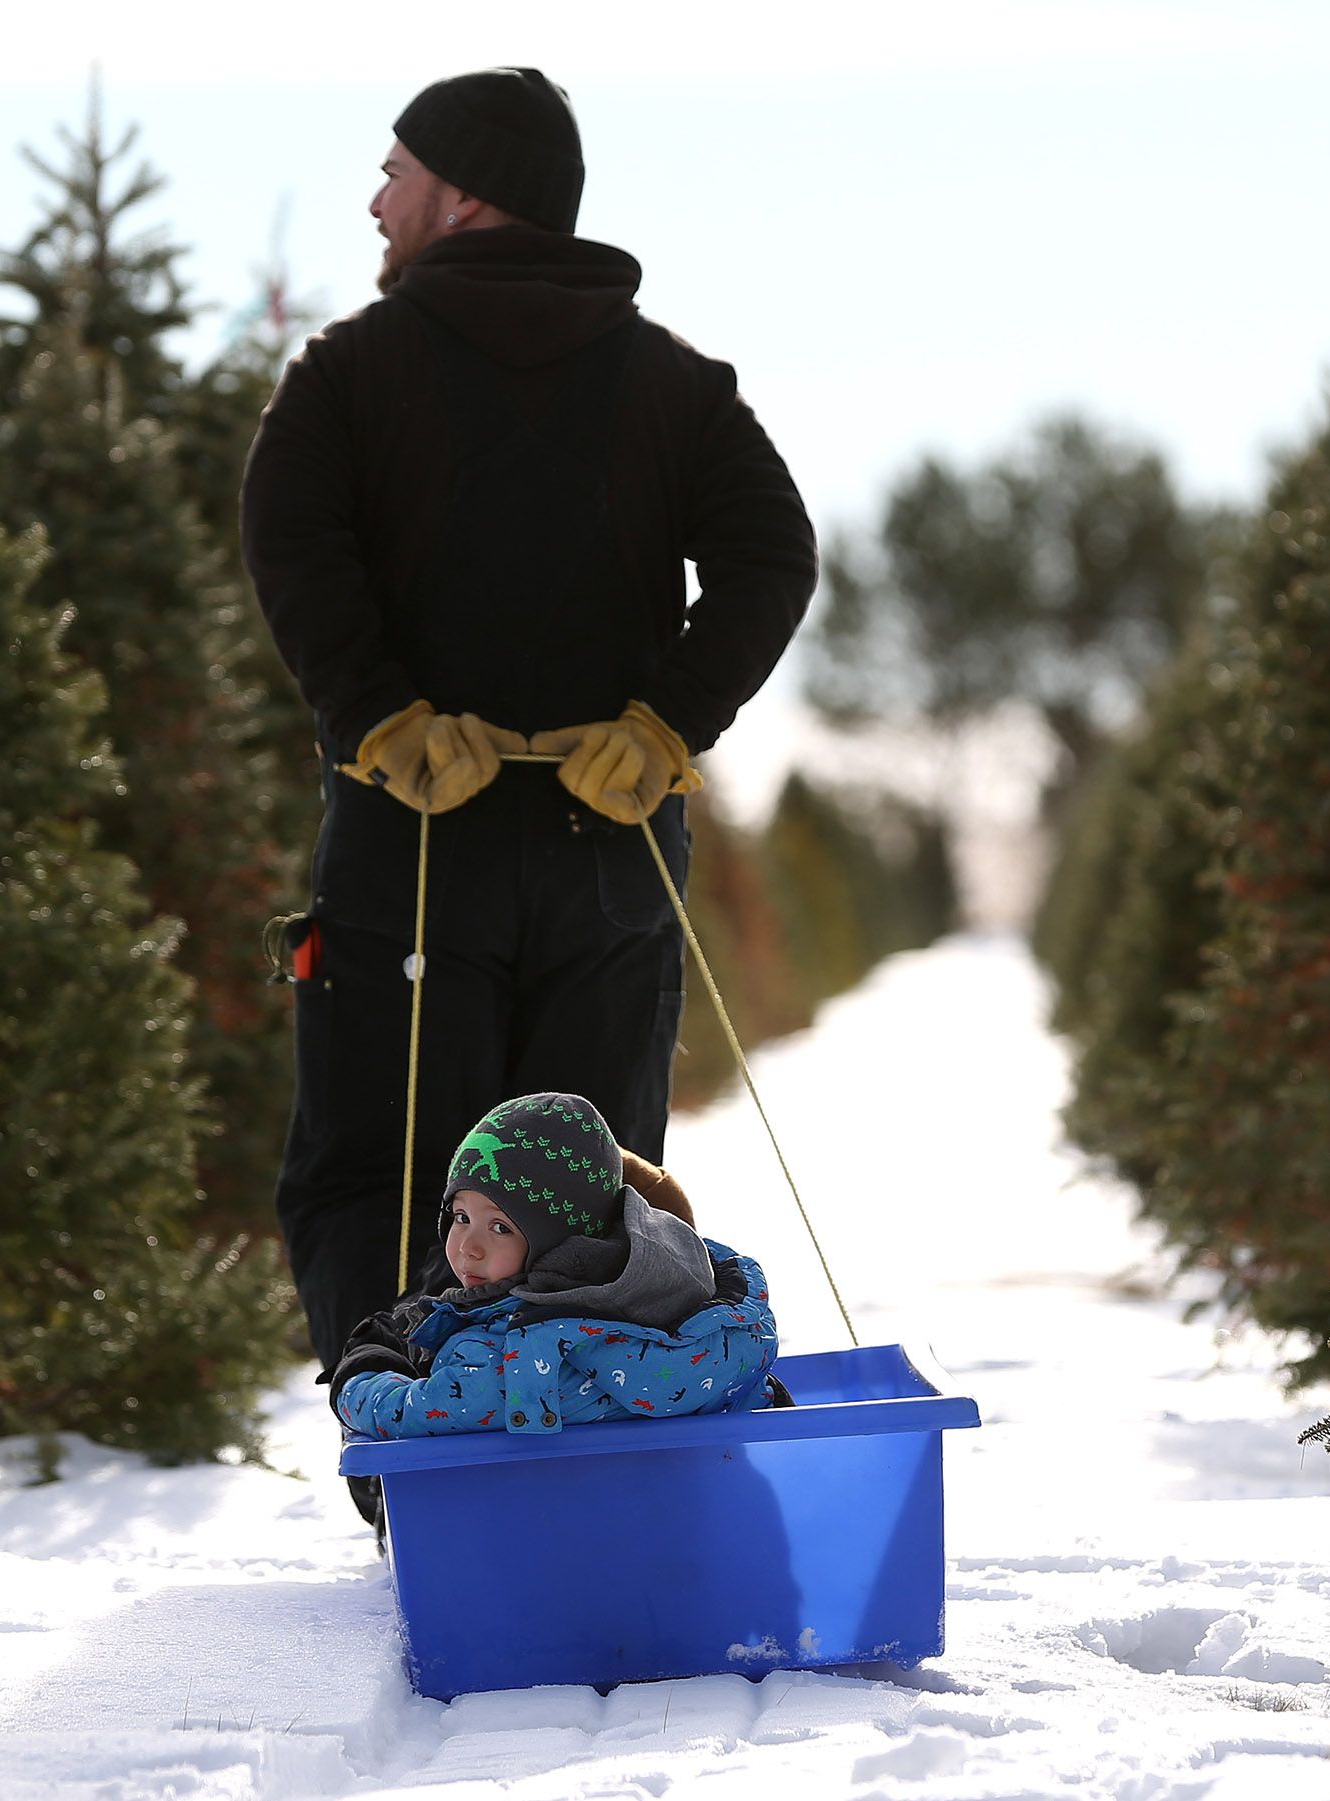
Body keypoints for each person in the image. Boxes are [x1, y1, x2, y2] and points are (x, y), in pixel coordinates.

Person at [240, 67, 817, 1371]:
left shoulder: (346, 374)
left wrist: (380, 719)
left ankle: (418, 1475)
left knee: (382, 1178)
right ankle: (579, 1471)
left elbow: (290, 543)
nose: (375, 198)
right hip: (607, 853)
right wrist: (665, 729)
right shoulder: (675, 384)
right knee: (585, 1184)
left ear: (464, 193)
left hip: (411, 849)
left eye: (398, 171)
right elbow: (774, 557)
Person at [330, 1093, 779, 1440]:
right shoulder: (692, 1306)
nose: (468, 1247)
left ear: (563, 1240)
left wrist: (363, 1369)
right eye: (461, 1217)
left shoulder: (512, 1352)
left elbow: (404, 1415)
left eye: (501, 1227)